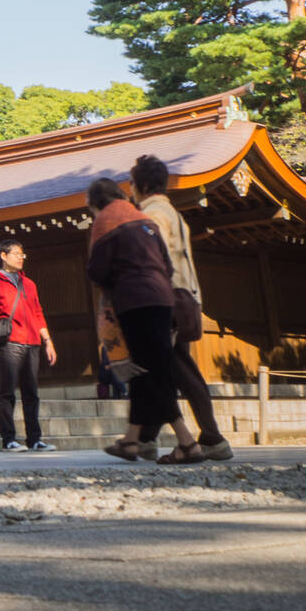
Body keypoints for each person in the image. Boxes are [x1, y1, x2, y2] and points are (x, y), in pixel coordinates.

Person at [85, 177, 206, 464]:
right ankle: (130, 440)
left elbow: (97, 270)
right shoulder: (142, 218)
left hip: (134, 300)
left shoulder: (105, 220)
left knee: (152, 373)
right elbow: (165, 262)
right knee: (147, 369)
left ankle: (188, 443)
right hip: (162, 297)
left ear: (95, 203)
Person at [129, 155, 232, 461]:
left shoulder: (152, 215)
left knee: (178, 370)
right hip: (183, 295)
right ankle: (146, 437)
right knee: (166, 368)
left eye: (133, 183)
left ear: (143, 185)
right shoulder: (172, 212)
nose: (131, 189)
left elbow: (153, 257)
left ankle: (211, 437)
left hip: (164, 297)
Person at [0, 237, 57, 452]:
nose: (21, 258)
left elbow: (38, 312)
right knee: (8, 391)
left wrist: (47, 341)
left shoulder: (29, 284)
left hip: (32, 341)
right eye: (16, 254)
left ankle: (35, 438)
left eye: (23, 254)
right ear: (3, 256)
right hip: (10, 341)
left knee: (32, 392)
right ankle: (9, 439)